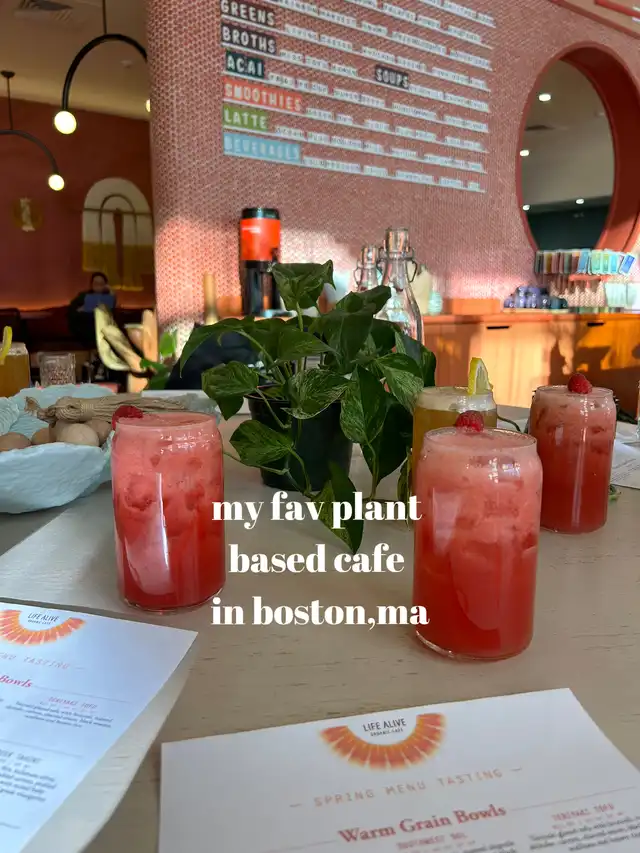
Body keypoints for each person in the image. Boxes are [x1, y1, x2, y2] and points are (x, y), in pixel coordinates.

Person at [68, 273, 116, 348]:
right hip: (85, 327)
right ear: (91, 284)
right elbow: (72, 312)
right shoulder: (83, 296)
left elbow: (111, 314)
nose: (98, 286)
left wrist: (111, 292)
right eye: (96, 283)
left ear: (105, 285)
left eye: (101, 284)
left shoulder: (108, 297)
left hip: (101, 327)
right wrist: (81, 309)